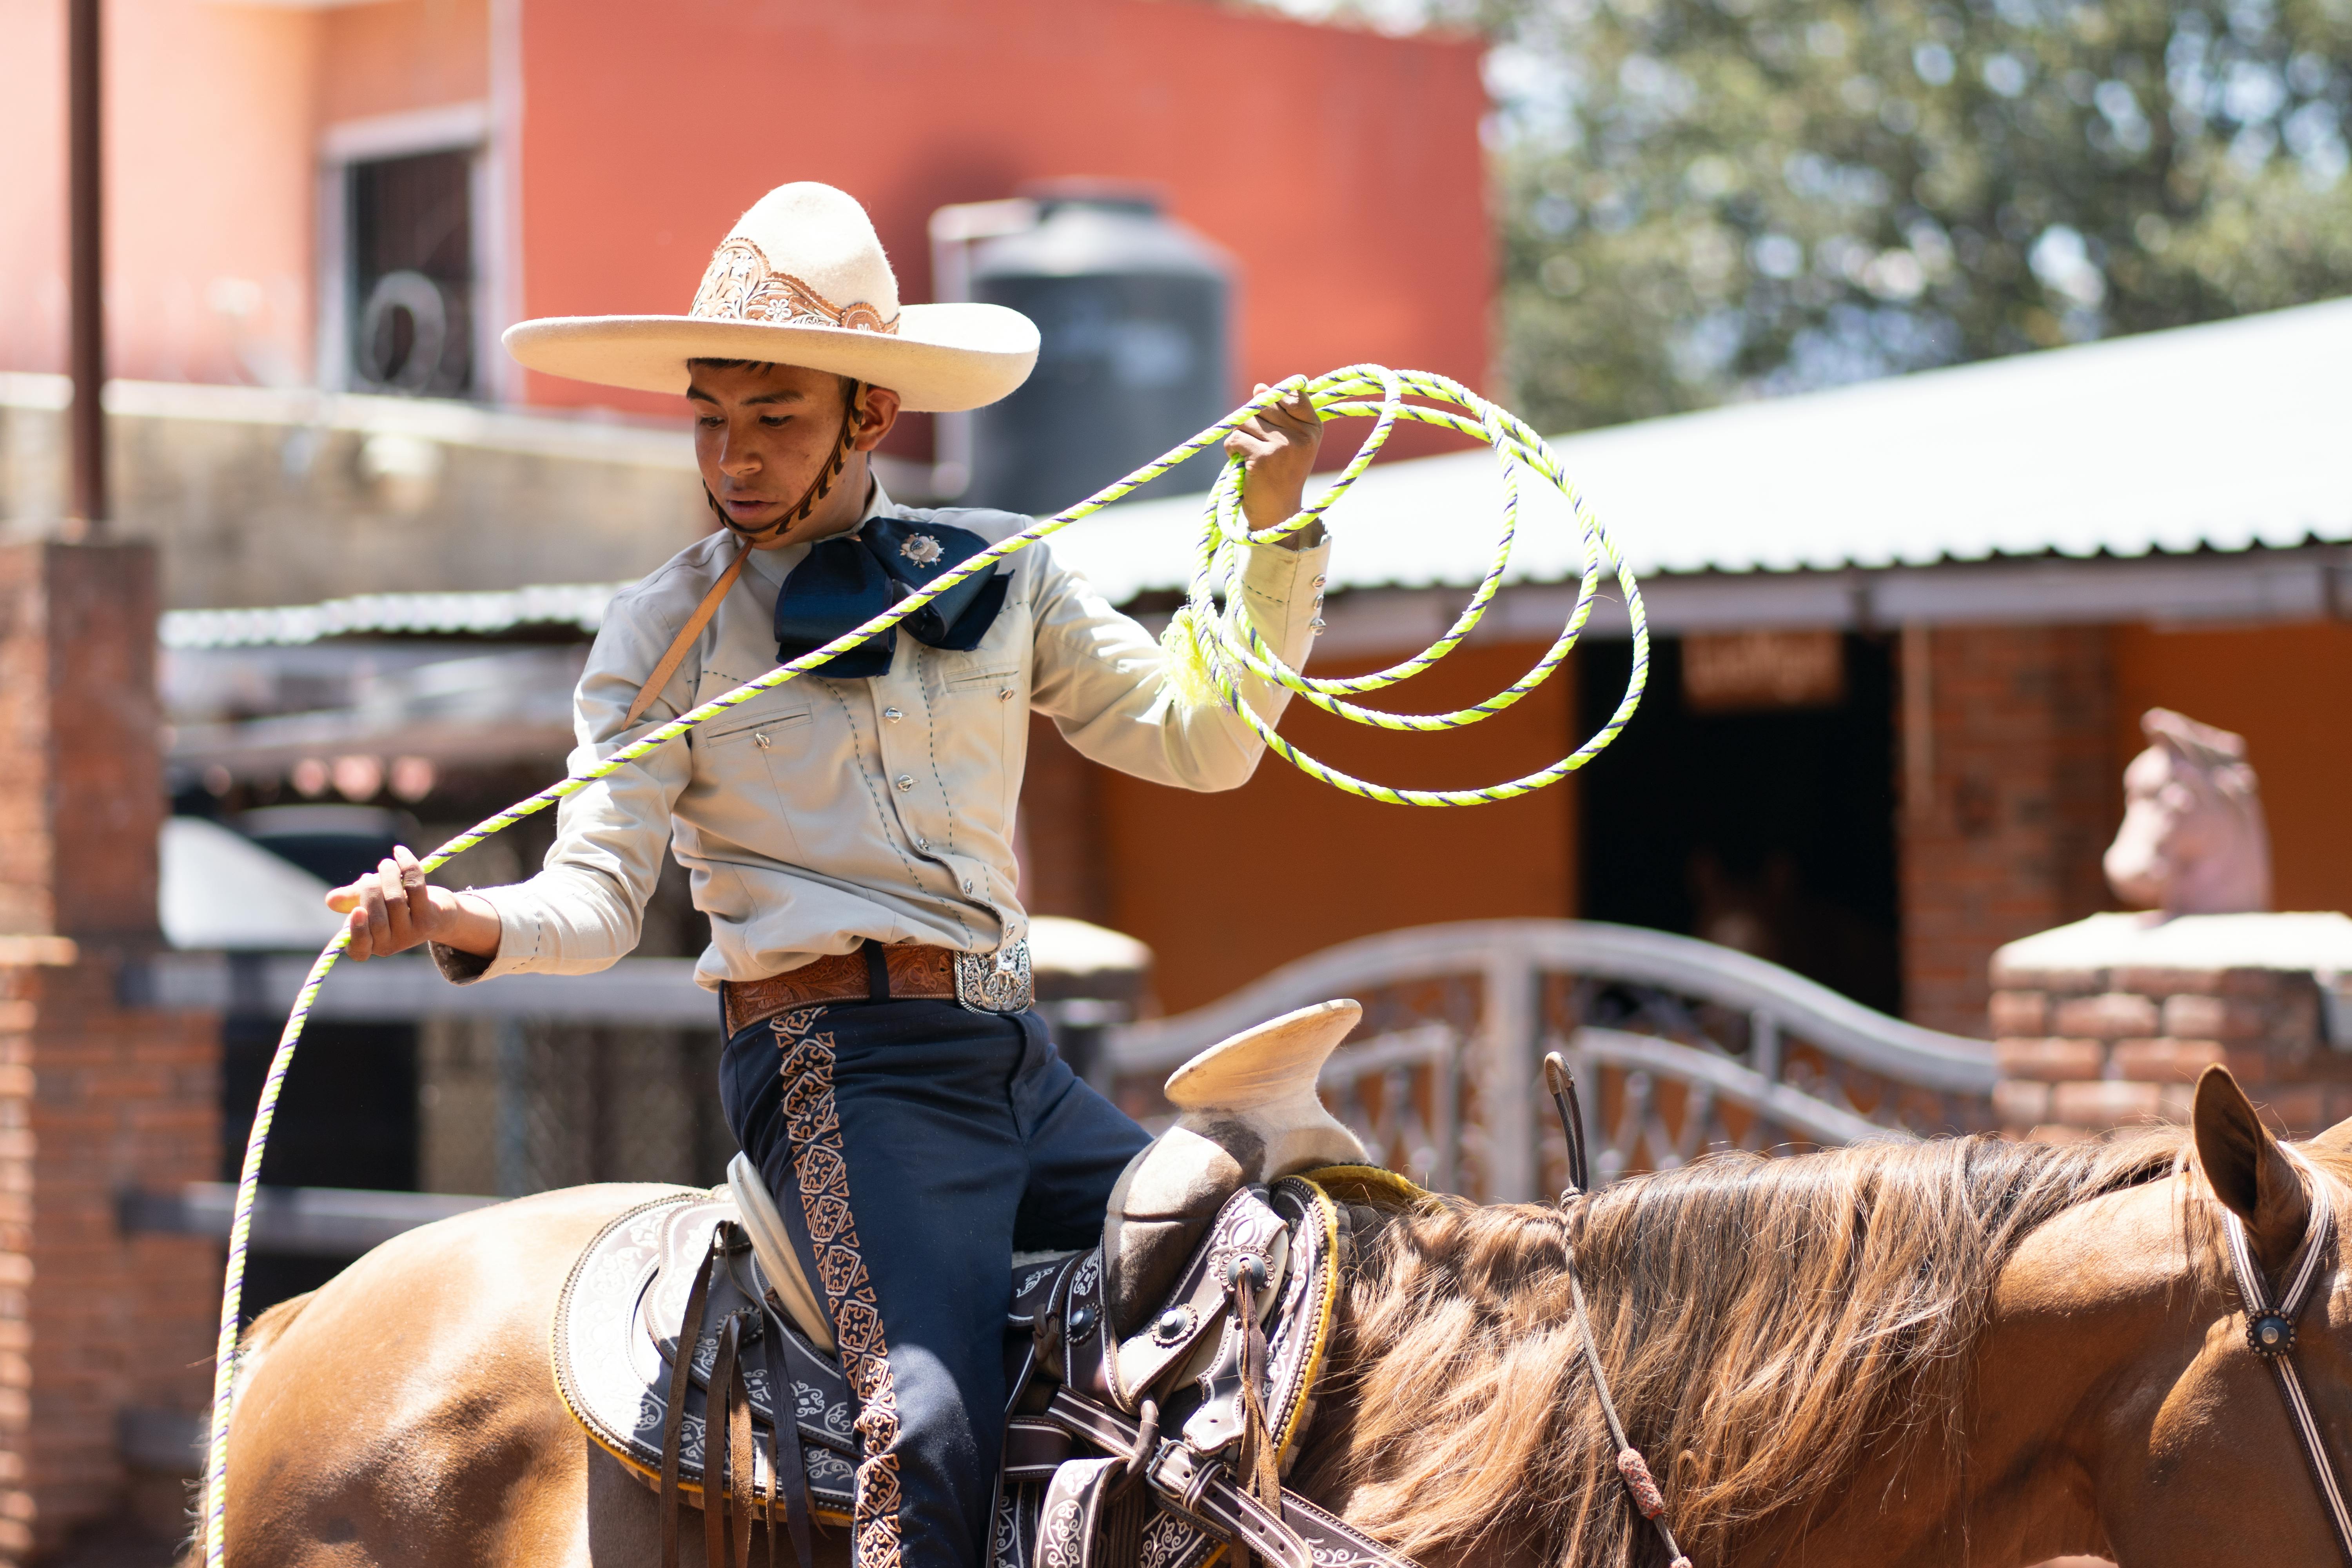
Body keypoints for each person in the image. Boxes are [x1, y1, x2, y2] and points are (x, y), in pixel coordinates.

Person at [321, 182, 1328, 1568]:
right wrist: (453, 914)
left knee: (1271, 1269)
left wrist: (1276, 536)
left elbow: (1203, 742)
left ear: (870, 414)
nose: (732, 457)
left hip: (1012, 1058)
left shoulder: (1000, 572)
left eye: (774, 416)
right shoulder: (664, 635)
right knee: (927, 1426)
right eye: (709, 418)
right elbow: (598, 900)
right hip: (832, 1069)